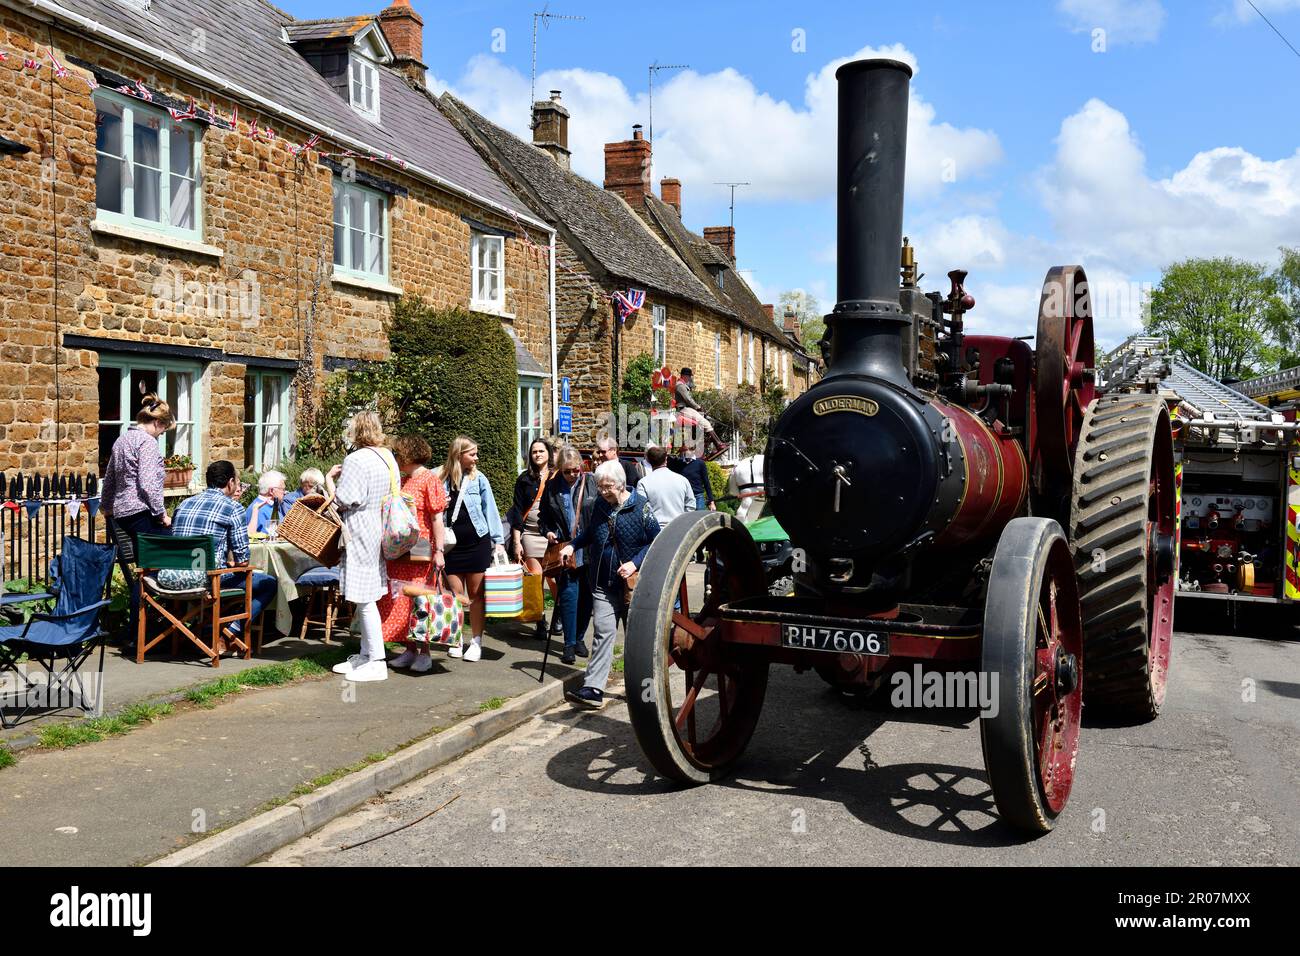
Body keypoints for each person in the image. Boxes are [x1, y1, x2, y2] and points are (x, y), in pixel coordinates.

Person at [560, 460, 660, 709]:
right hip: (602, 582)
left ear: (621, 483)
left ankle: (645, 690)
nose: (604, 492)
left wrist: (634, 564)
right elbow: (591, 534)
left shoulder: (641, 508)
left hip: (631, 585)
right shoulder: (599, 507)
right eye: (600, 487)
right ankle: (593, 689)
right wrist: (572, 544)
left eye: (608, 487)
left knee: (636, 640)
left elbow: (656, 541)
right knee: (603, 633)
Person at [161, 460, 278, 648]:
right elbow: (243, 559)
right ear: (230, 482)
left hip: (169, 577)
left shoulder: (183, 504)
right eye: (237, 482)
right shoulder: (232, 507)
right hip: (205, 579)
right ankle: (229, 632)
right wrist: (233, 564)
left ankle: (202, 631)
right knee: (268, 583)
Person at [326, 411, 399, 682]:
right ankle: (366, 654)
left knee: (364, 596)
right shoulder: (387, 456)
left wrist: (329, 480)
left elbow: (346, 499)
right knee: (369, 593)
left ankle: (376, 660)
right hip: (380, 527)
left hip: (360, 531)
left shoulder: (356, 459)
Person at [101, 393, 175, 640]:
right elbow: (147, 483)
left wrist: (107, 506)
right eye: (163, 430)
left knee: (145, 570)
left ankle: (142, 629)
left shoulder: (122, 440)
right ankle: (145, 631)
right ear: (157, 423)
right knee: (171, 556)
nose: (161, 435)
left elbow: (110, 478)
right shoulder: (147, 442)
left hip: (122, 514)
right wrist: (162, 514)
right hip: (142, 513)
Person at [380, 435, 447, 673]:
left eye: (399, 455)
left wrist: (439, 550)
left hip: (421, 552)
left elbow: (437, 518)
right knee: (400, 599)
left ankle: (425, 652)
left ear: (407, 455)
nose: (396, 459)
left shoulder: (430, 480)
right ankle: (409, 649)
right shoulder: (404, 479)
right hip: (400, 552)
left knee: (420, 600)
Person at [437, 436, 506, 663]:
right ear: (459, 455)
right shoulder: (441, 478)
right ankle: (456, 639)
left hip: (477, 544)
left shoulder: (479, 479)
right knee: (455, 596)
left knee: (476, 596)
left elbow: (490, 510)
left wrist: (498, 541)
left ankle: (476, 641)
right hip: (452, 547)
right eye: (472, 454)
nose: (476, 458)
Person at [539, 445, 598, 665]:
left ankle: (580, 637)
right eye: (567, 471)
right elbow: (544, 515)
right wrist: (548, 531)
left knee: (587, 598)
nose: (572, 474)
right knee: (568, 596)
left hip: (590, 548)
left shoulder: (591, 482)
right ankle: (568, 645)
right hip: (565, 548)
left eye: (576, 470)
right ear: (560, 470)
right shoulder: (552, 486)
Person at [506, 438, 557, 640]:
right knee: (536, 578)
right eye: (534, 451)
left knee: (554, 578)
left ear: (548, 453)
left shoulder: (557, 476)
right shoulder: (524, 479)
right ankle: (540, 620)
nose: (537, 454)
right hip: (529, 534)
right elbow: (517, 511)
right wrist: (517, 541)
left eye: (541, 451)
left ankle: (560, 616)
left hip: (552, 535)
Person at [636, 444, 695, 526]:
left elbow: (642, 509)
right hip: (679, 528)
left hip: (655, 532)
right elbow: (690, 506)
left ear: (648, 460)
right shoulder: (683, 480)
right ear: (666, 459)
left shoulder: (643, 483)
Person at [674, 367, 728, 456]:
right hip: (683, 409)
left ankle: (715, 444)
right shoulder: (680, 385)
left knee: (705, 423)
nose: (689, 379)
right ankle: (718, 444)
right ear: (685, 376)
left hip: (687, 409)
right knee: (705, 423)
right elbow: (688, 400)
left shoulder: (682, 385)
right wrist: (698, 407)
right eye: (689, 377)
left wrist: (698, 409)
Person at [670, 449, 717, 513]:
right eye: (686, 449)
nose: (687, 451)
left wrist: (711, 502)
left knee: (699, 518)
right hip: (684, 497)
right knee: (685, 520)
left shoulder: (700, 463)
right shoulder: (679, 463)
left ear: (694, 450)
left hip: (697, 497)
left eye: (690, 449)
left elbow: (706, 482)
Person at [244, 470, 290, 536]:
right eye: (282, 489)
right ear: (271, 491)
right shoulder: (258, 509)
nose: (285, 492)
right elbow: (264, 538)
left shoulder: (272, 505)